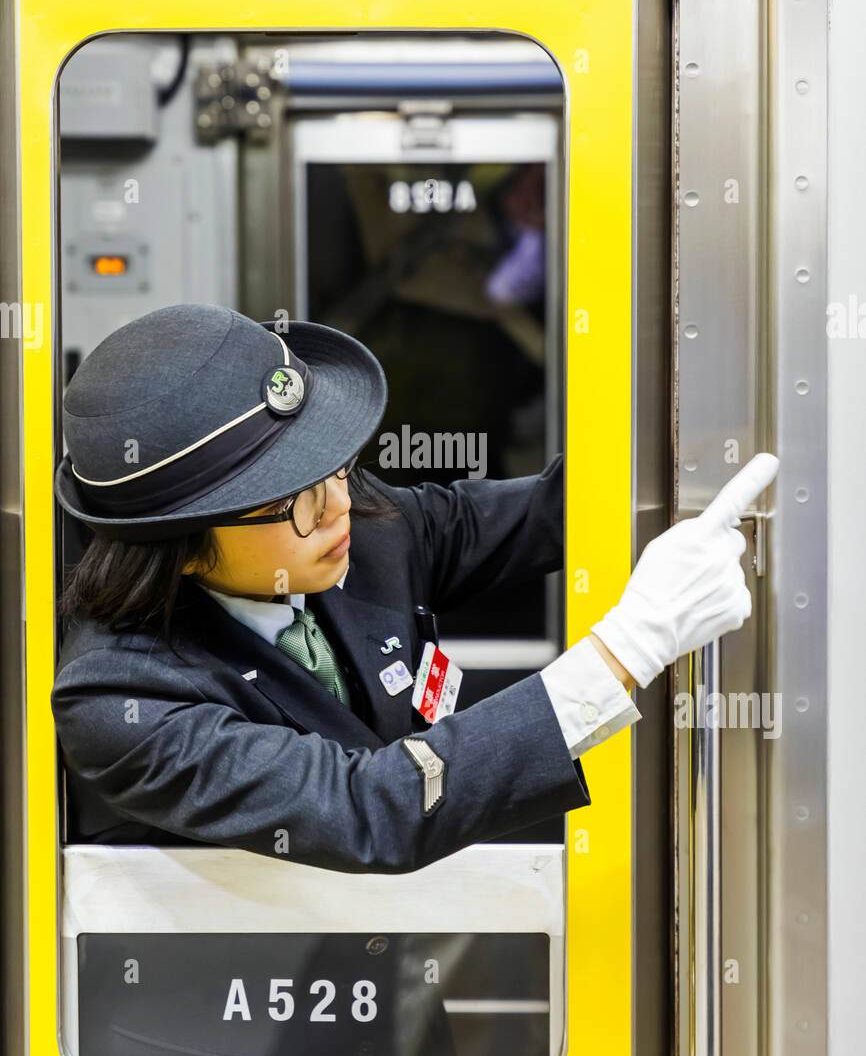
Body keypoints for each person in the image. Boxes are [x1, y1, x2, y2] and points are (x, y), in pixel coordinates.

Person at [51, 303, 779, 874]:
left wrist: (692, 466)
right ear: (179, 549)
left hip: (407, 969)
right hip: (228, 1037)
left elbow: (535, 515)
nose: (339, 504)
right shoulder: (121, 699)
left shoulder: (349, 519)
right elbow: (371, 806)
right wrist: (630, 644)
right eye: (294, 498)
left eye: (332, 464)